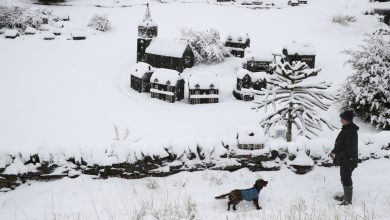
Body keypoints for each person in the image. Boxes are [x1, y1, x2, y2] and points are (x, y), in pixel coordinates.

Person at [328, 110, 359, 205]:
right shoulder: (345, 129)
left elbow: (350, 148)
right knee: (343, 177)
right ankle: (346, 196)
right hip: (344, 159)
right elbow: (340, 144)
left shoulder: (352, 131)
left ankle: (348, 200)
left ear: (347, 119)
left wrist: (340, 155)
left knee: (346, 177)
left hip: (349, 159)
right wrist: (334, 151)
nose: (340, 120)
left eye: (342, 119)